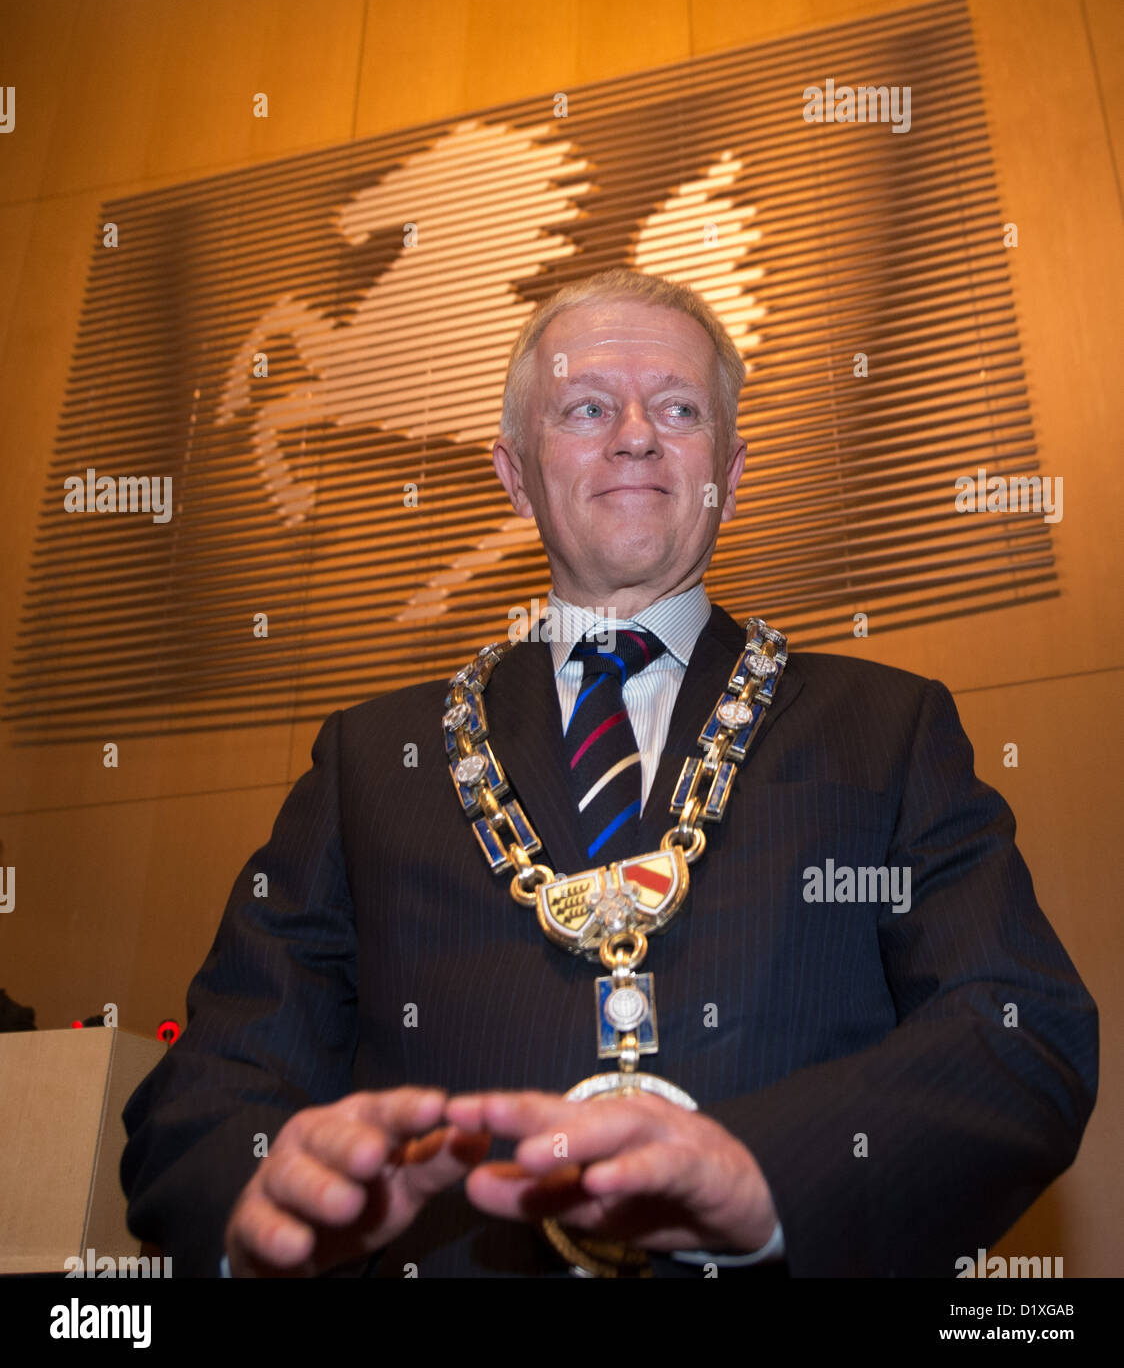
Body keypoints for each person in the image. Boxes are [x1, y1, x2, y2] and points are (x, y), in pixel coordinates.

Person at [120, 268, 1098, 1278]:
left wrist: (766, 1175)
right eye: (585, 407)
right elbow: (206, 1091)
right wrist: (266, 1191)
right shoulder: (369, 760)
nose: (634, 434)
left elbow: (1018, 1030)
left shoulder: (886, 726)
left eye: (677, 409)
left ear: (729, 465)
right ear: (514, 472)